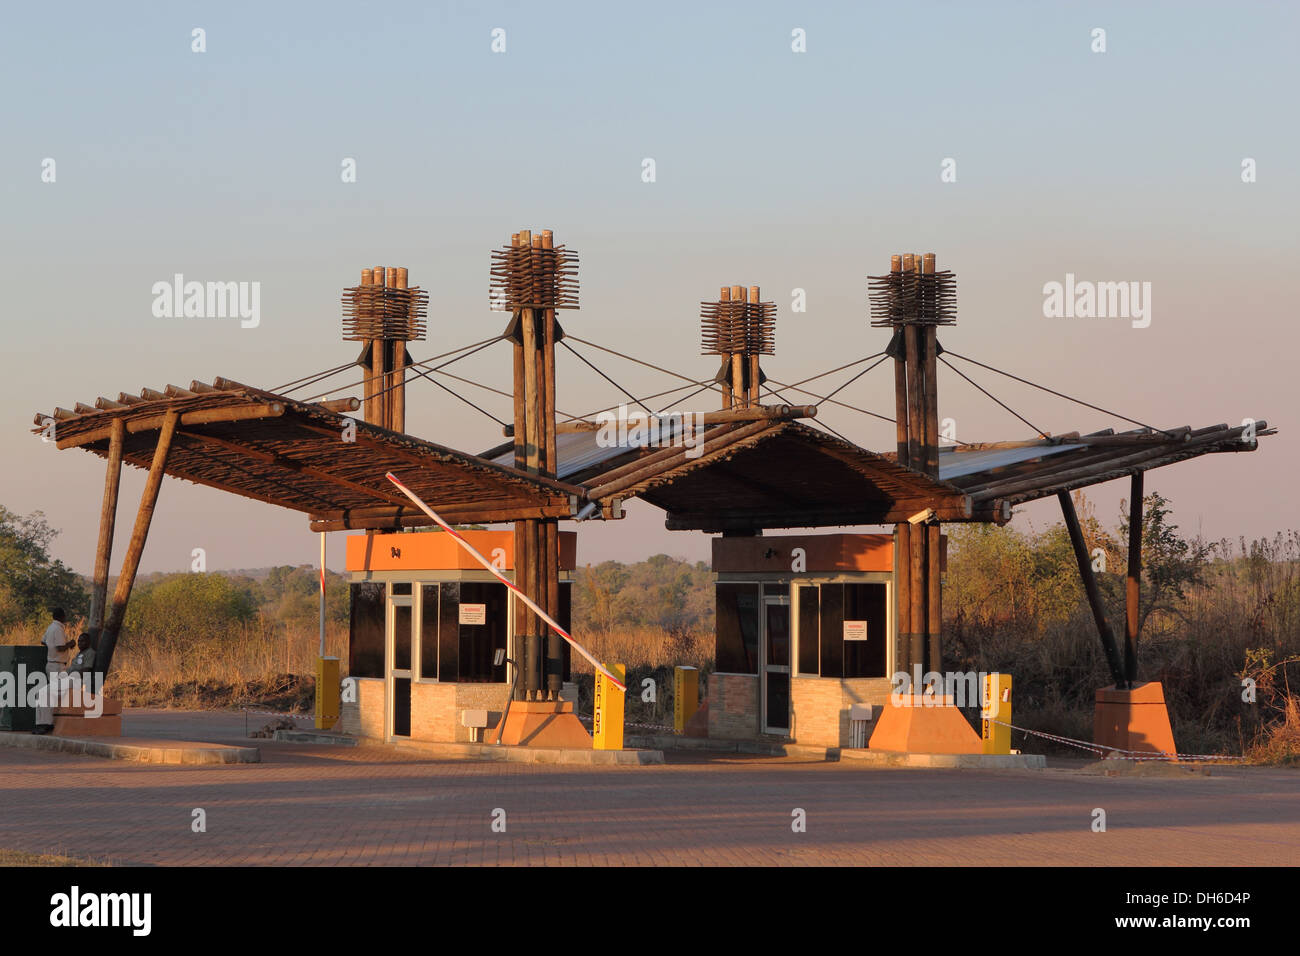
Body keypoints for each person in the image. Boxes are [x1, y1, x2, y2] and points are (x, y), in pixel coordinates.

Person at [33, 608, 76, 735]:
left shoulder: (50, 627)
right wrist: (71, 643)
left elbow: (43, 641)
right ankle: (47, 723)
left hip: (50, 663)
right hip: (57, 666)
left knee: (49, 693)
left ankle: (44, 722)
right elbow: (60, 647)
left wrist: (50, 650)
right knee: (51, 694)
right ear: (62, 616)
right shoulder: (58, 629)